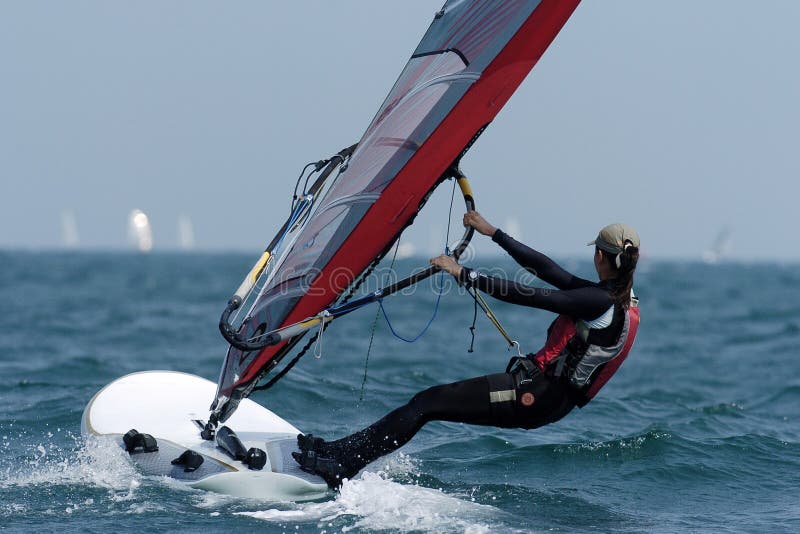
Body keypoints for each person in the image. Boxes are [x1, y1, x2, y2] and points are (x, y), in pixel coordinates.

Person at [292, 212, 641, 488]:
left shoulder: (598, 301)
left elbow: (531, 295)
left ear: (598, 255)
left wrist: (464, 273)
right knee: (428, 403)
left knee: (426, 404)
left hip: (536, 396)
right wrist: (494, 233)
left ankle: (342, 466)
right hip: (545, 397)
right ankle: (338, 451)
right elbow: (548, 269)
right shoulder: (614, 298)